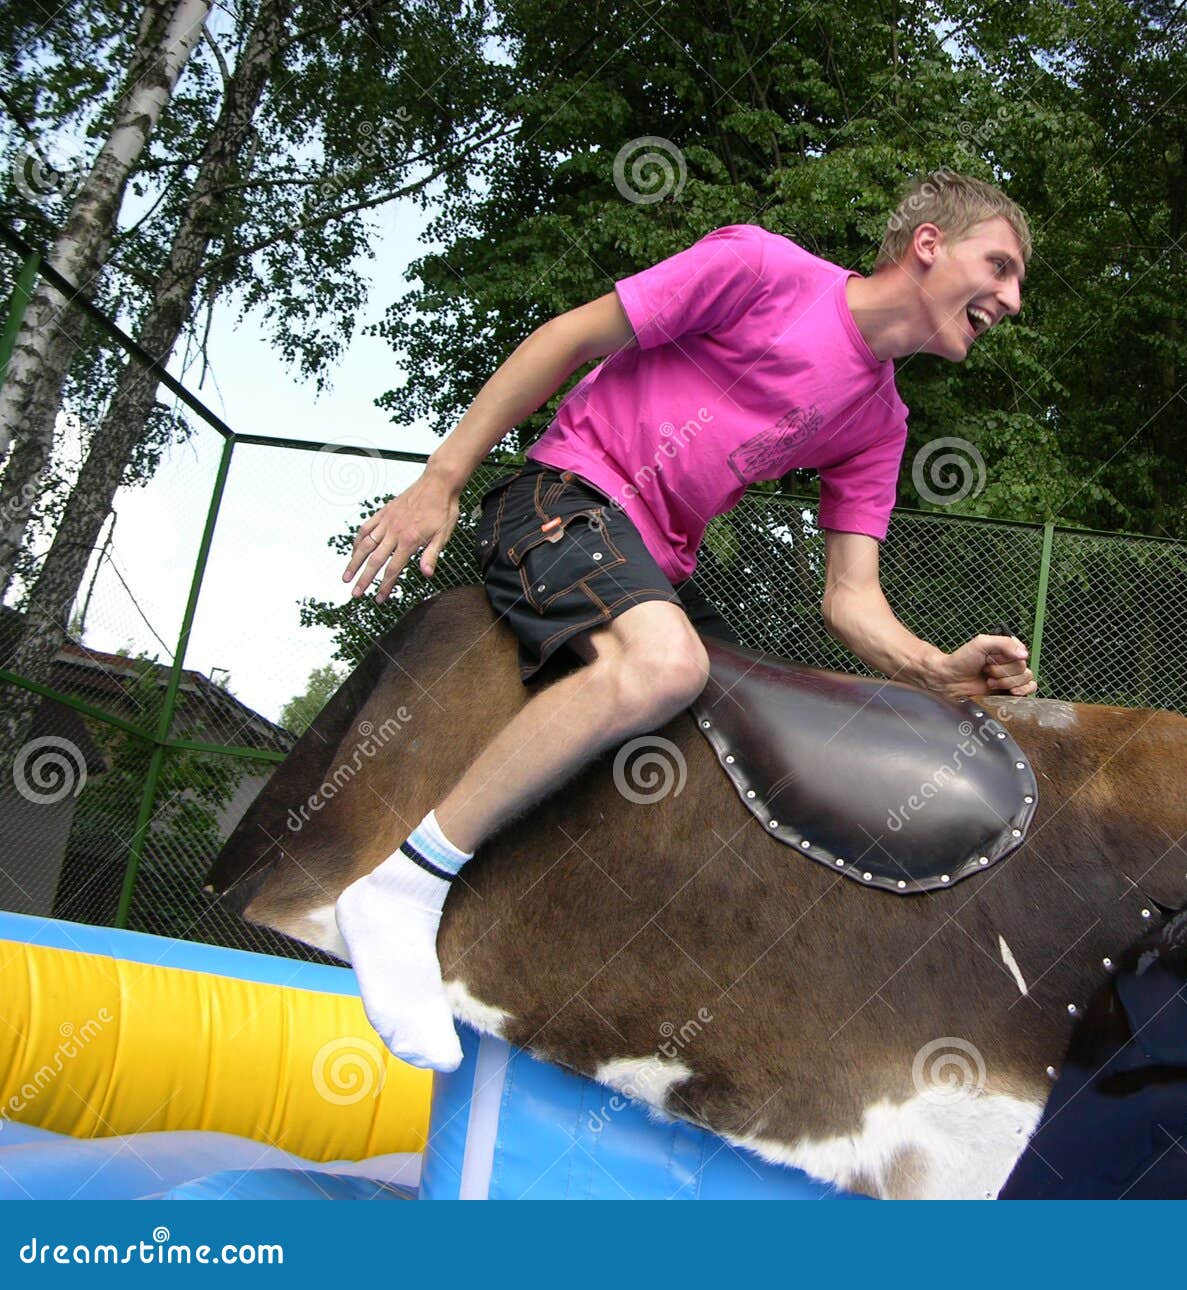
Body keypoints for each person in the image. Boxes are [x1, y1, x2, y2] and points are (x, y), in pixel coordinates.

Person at [335, 169, 1038, 1071]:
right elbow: (569, 337)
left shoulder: (880, 420)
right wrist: (442, 480)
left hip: (655, 566)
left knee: (745, 748)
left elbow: (850, 598)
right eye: (1000, 267)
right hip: (564, 496)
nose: (1012, 300)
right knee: (668, 663)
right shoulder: (762, 269)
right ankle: (402, 885)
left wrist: (936, 670)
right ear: (928, 245)